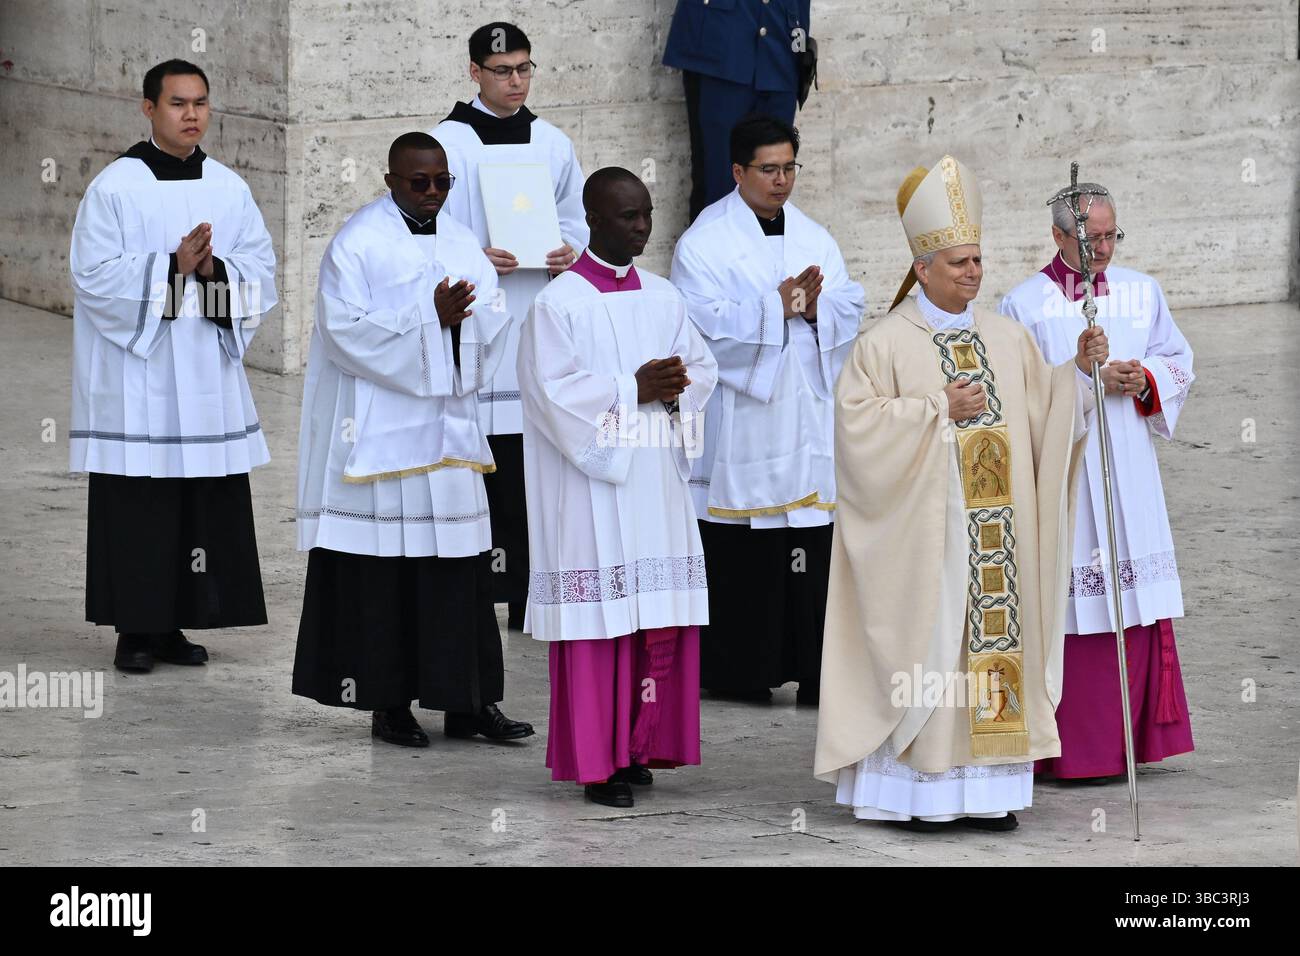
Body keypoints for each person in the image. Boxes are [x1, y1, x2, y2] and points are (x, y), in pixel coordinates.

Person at [814, 155, 1108, 831]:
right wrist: (934, 408)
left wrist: (1079, 377)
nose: (973, 273)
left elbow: (1045, 417)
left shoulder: (1007, 338)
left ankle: (988, 793)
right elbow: (855, 433)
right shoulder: (884, 344)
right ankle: (918, 793)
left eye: (977, 260)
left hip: (997, 548)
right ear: (922, 269)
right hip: (928, 547)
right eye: (957, 263)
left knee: (991, 652)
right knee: (935, 651)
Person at [292, 132, 533, 748]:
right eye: (418, 182)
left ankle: (469, 702)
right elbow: (343, 330)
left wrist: (460, 322)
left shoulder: (460, 242)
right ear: (391, 179)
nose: (431, 193)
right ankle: (388, 703)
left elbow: (494, 317)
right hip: (380, 438)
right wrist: (431, 320)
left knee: (459, 572)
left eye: (441, 182)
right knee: (387, 576)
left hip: (448, 437)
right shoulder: (358, 242)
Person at [517, 168, 718, 808]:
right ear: (593, 221)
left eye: (646, 213)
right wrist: (632, 391)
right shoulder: (557, 304)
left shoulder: (664, 296)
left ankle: (637, 748)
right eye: (627, 216)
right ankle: (597, 764)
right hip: (592, 490)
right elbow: (552, 397)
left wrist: (677, 388)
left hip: (654, 482)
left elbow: (703, 368)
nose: (641, 227)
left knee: (649, 619)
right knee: (601, 624)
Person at [69, 59, 277, 674]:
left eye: (201, 104)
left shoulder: (229, 187)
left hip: (204, 373)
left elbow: (259, 274)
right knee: (140, 502)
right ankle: (134, 628)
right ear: (148, 109)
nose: (192, 115)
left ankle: (175, 622)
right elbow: (93, 279)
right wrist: (170, 268)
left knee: (197, 501)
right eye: (178, 104)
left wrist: (214, 274)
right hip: (139, 378)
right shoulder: (115, 186)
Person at [1000, 180, 1195, 781]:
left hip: (1129, 469)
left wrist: (1147, 380)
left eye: (1112, 235)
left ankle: (1134, 741)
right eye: (1091, 238)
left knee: (1130, 593)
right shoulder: (1023, 305)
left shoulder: (1142, 291)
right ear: (1058, 237)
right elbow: (1020, 397)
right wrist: (1083, 380)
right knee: (1075, 600)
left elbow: (1176, 357)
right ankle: (1077, 747)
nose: (1103, 248)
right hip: (1069, 474)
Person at [670, 114, 864, 704]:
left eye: (789, 168)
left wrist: (814, 311)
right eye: (769, 169)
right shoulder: (704, 240)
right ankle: (741, 670)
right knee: (747, 547)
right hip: (745, 418)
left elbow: (849, 305)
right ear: (738, 171)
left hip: (804, 413)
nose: (782, 181)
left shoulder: (813, 235)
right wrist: (771, 308)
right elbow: (694, 324)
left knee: (810, 541)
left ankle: (813, 669)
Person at [432, 21, 589, 630]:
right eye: (502, 71)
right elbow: (429, 225)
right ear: (474, 72)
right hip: (479, 320)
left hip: (536, 312)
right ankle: (479, 584)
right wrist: (476, 255)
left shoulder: (551, 141)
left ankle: (532, 586)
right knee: (485, 455)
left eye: (524, 68)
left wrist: (568, 250)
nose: (516, 80)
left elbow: (577, 216)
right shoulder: (445, 142)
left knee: (535, 456)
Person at [663, 0, 812, 220]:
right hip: (721, 44)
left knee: (775, 180)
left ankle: (765, 252)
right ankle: (712, 253)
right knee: (719, 182)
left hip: (782, 39)